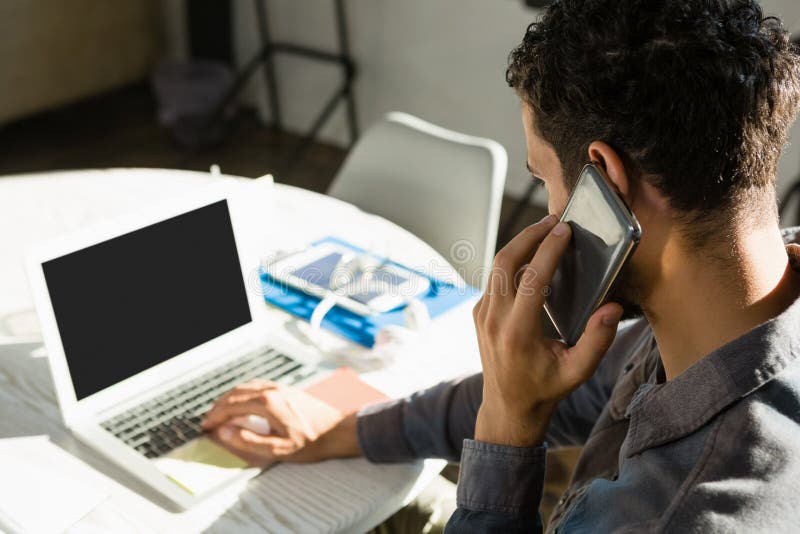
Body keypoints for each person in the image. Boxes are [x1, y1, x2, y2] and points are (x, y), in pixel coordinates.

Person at [202, 0, 800, 531]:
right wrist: (344, 426)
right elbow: (580, 391)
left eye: (543, 178)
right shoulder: (727, 314)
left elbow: (528, 406)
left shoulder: (680, 513)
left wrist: (510, 429)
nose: (545, 206)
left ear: (607, 181)